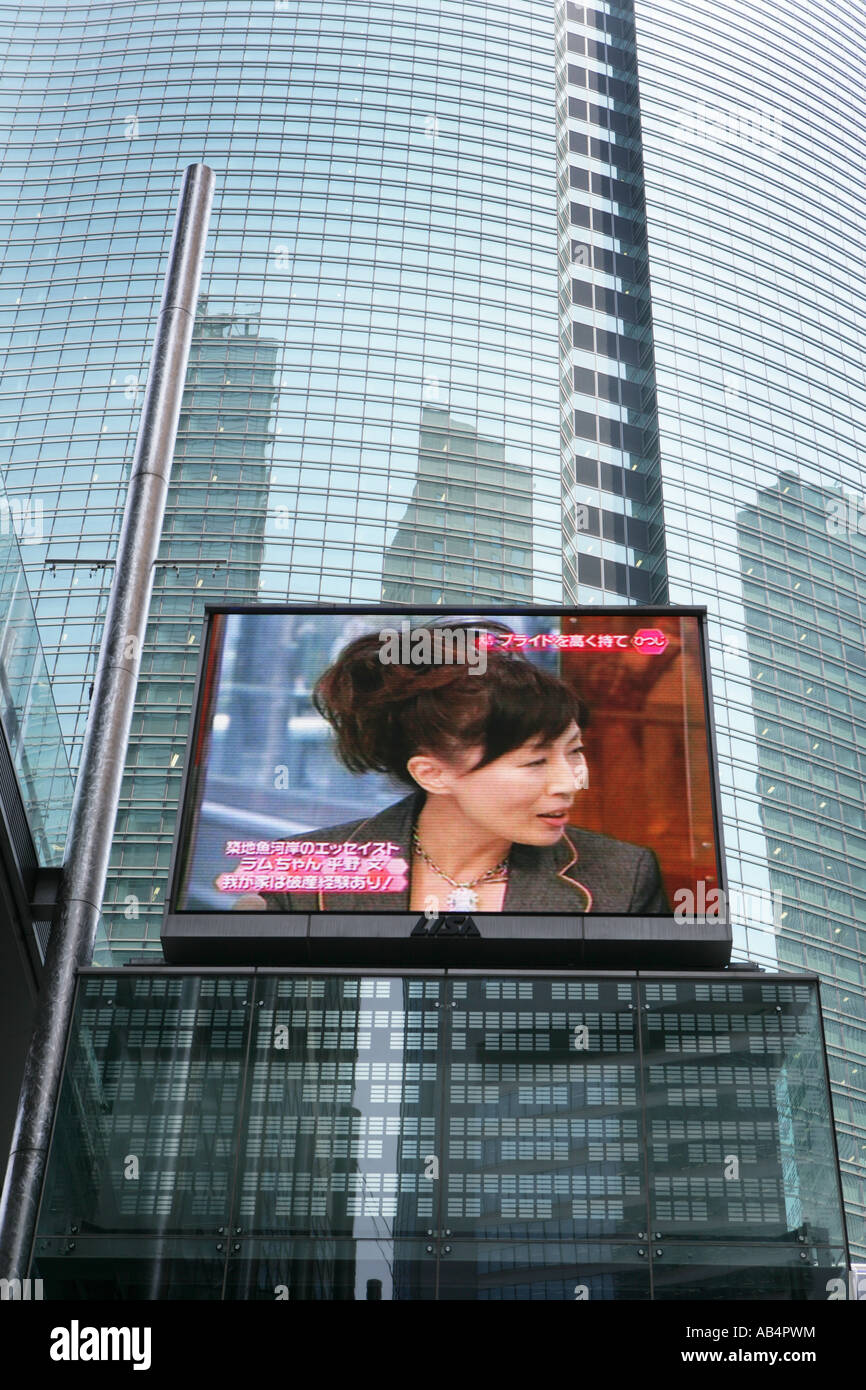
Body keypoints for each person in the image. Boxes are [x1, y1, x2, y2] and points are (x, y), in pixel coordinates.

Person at [235, 625, 668, 915]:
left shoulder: (622, 876)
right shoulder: (297, 874)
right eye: (535, 761)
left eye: (575, 752)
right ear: (432, 774)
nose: (574, 782)